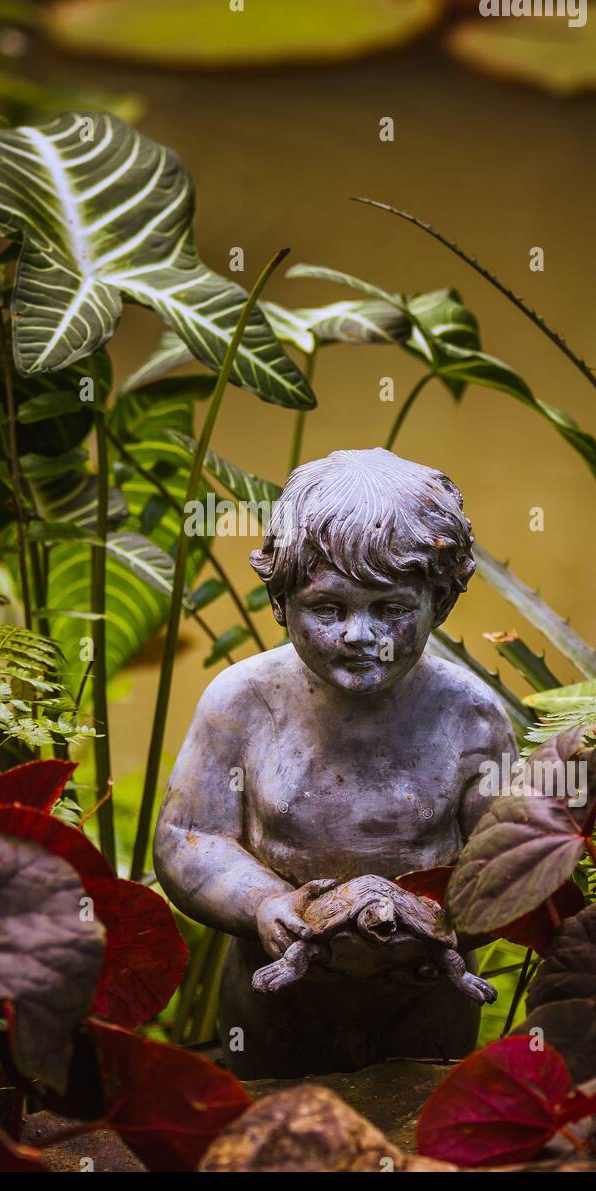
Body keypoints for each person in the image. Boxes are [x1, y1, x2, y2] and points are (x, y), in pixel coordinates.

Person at [154, 447, 517, 1077]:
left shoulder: (469, 715)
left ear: (440, 601)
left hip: (425, 995)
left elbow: (510, 860)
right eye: (328, 610)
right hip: (278, 995)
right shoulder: (242, 702)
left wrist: (445, 922)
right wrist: (266, 903)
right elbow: (190, 837)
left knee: (422, 1144)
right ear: (281, 601)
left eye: (392, 609)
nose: (360, 634)